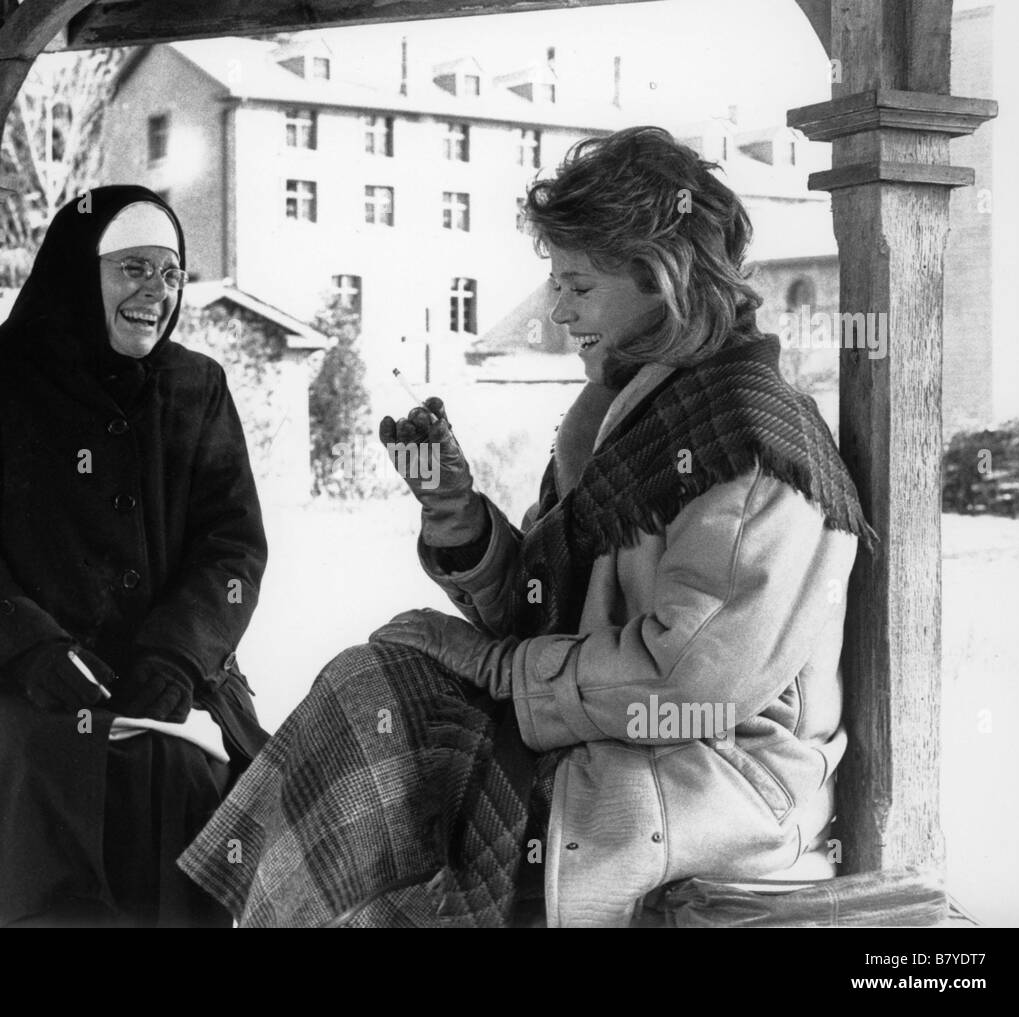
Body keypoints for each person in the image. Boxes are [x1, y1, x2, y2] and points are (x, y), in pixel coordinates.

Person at [178, 127, 874, 927]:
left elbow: (686, 681)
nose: (556, 308)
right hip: (606, 737)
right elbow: (544, 608)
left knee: (397, 776)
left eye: (577, 285)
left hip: (704, 779)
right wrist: (456, 512)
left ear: (663, 280)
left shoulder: (752, 446)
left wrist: (500, 668)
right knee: (372, 682)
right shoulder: (620, 418)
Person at [0, 186, 268, 927]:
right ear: (78, 273)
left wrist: (177, 657)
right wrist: (29, 649)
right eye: (133, 268)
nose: (155, 293)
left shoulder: (197, 388)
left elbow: (232, 545)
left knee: (190, 771)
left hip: (161, 671)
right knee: (23, 761)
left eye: (170, 273)